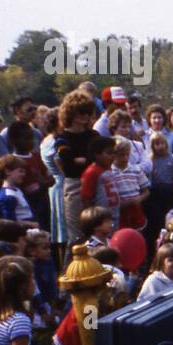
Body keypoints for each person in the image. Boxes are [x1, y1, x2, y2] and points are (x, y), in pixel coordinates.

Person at [54, 90, 99, 245]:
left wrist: (82, 160)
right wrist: (84, 160)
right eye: (82, 112)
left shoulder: (94, 135)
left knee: (96, 232)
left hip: (95, 183)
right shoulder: (62, 138)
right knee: (76, 237)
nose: (86, 116)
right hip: (74, 185)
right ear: (71, 113)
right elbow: (68, 164)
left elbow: (98, 159)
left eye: (88, 112)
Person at [80, 134, 122, 229]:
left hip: (114, 216)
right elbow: (86, 200)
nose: (113, 156)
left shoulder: (109, 169)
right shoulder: (91, 172)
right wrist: (93, 221)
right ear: (97, 154)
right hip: (100, 221)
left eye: (114, 153)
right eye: (109, 153)